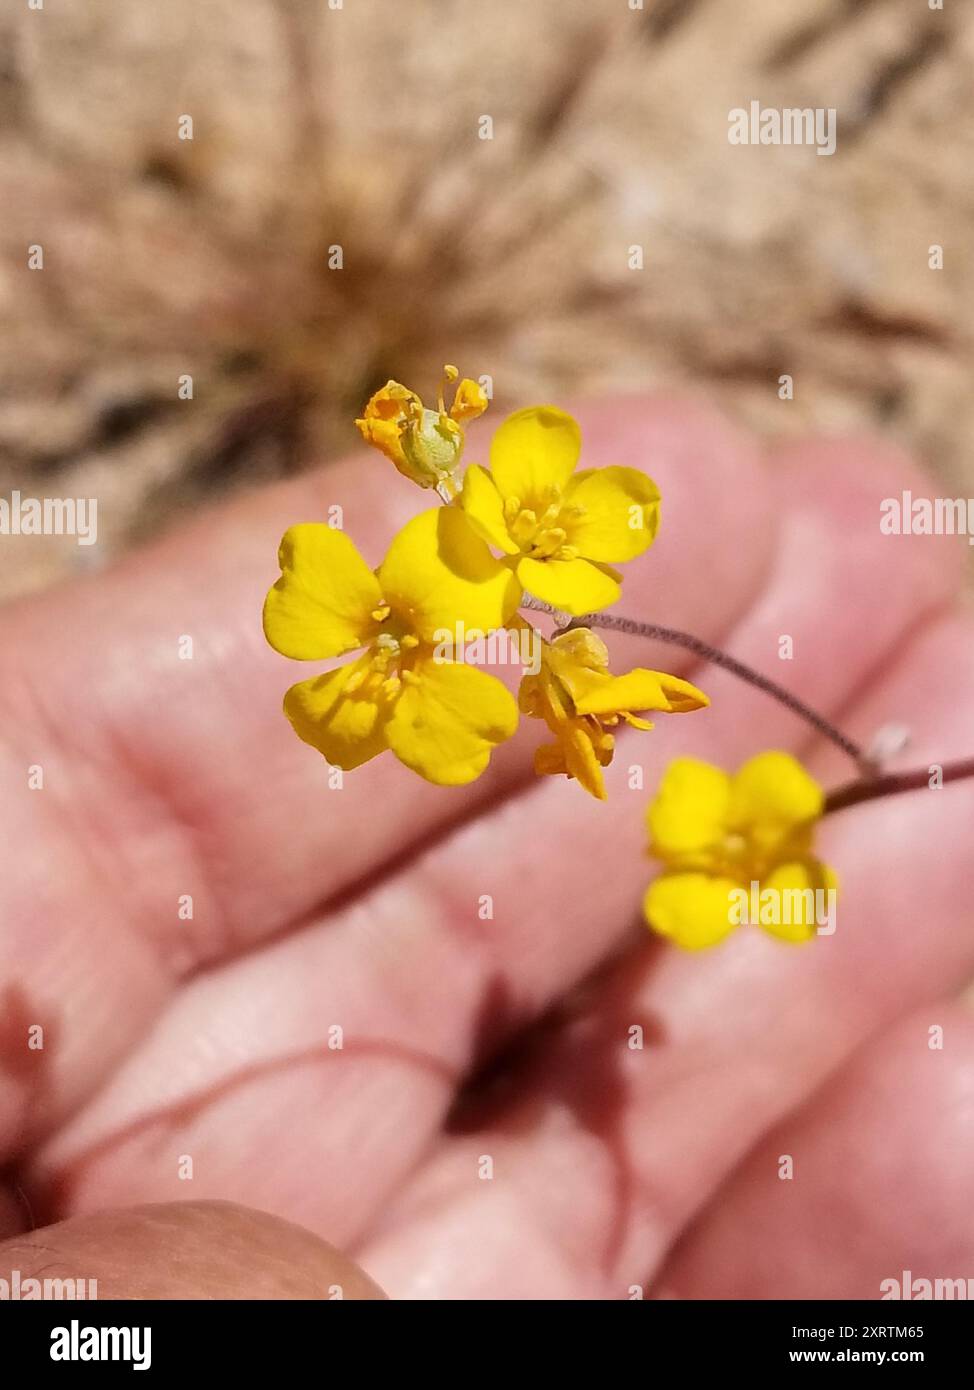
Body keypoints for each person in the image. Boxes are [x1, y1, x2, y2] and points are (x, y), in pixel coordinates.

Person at [1, 397, 972, 1299]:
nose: (388, 648)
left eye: (399, 638)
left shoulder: (490, 577)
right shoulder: (444, 595)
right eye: (387, 638)